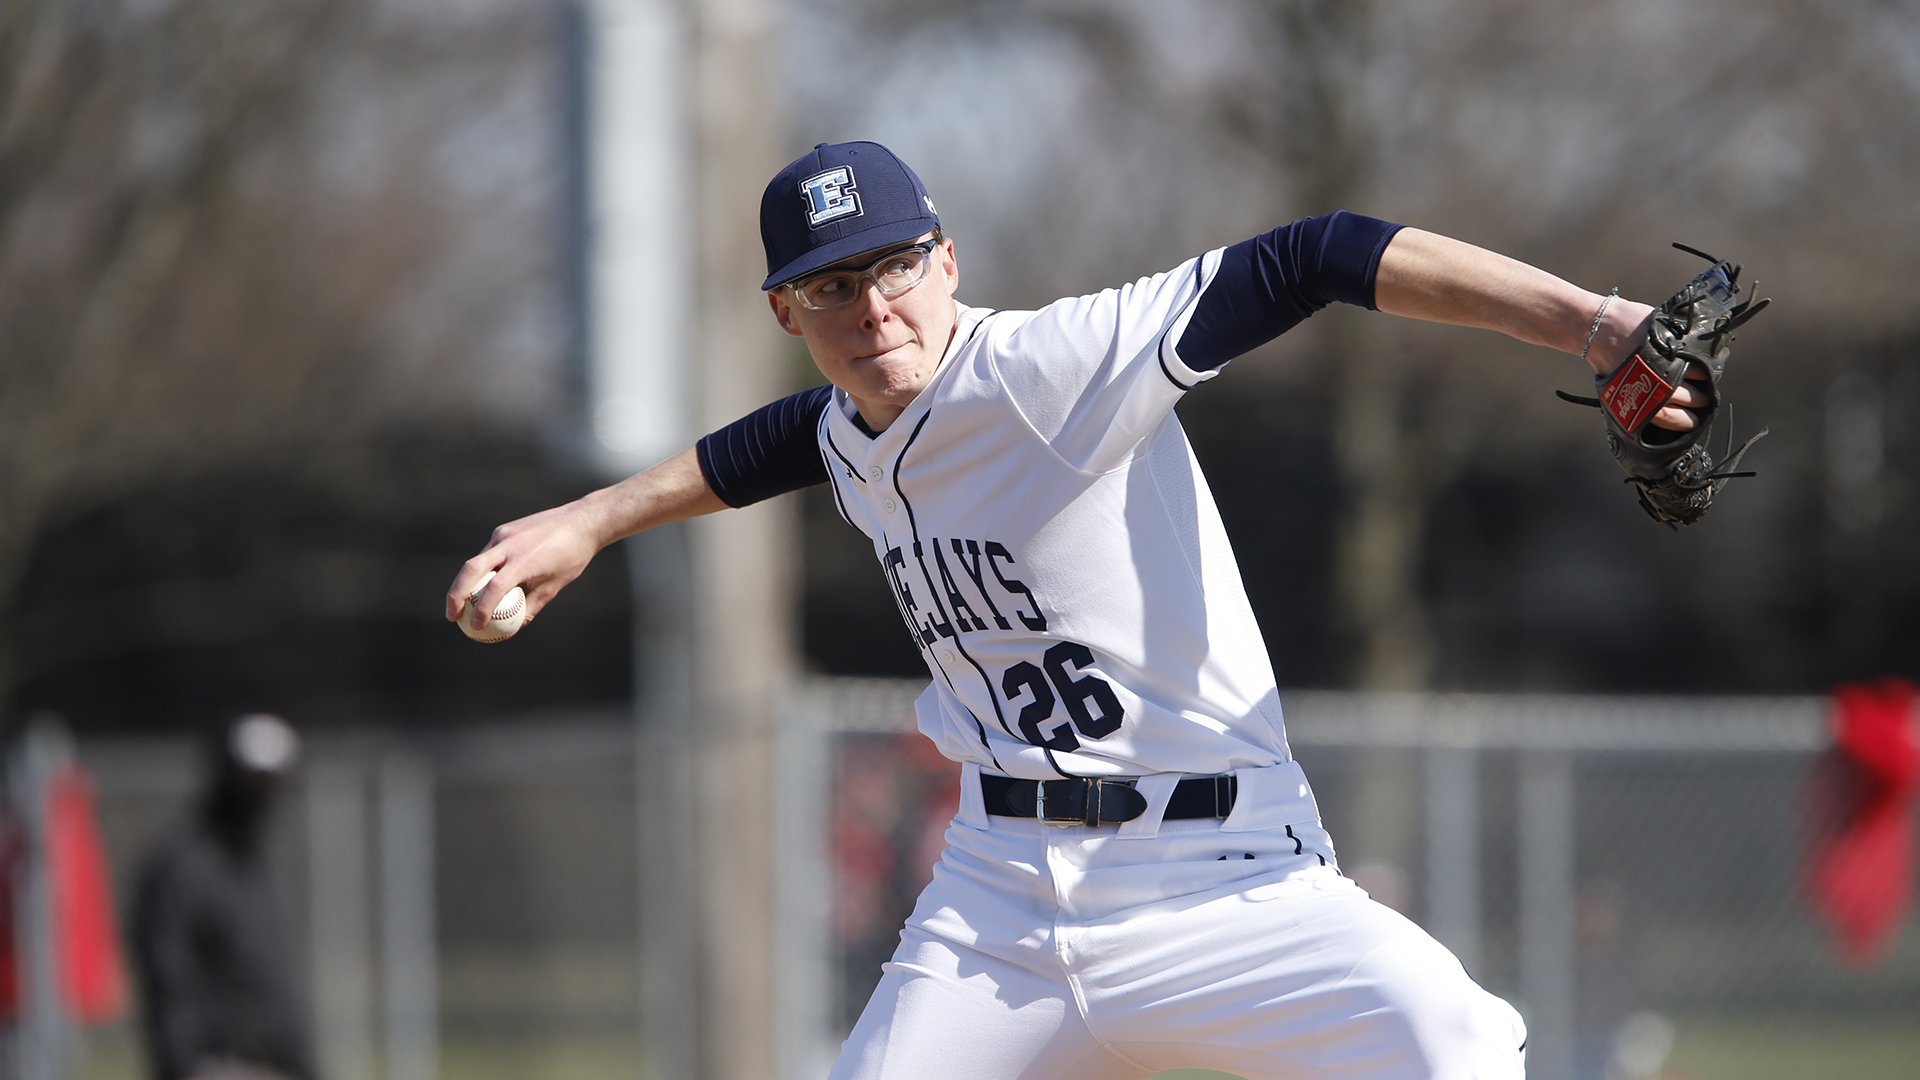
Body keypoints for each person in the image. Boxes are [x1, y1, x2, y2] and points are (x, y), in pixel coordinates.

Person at [448, 141, 1705, 1079]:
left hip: (1222, 876)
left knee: (1460, 1052)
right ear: (787, 312)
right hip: (999, 898)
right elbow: (776, 444)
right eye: (831, 289)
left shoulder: (1052, 368)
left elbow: (1313, 255)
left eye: (894, 267)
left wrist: (1598, 328)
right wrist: (591, 520)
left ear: (946, 261)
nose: (873, 309)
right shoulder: (852, 419)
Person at [131, 714, 313, 1080]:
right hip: (217, 1065)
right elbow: (168, 981)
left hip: (278, 1063)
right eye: (253, 780)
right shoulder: (183, 869)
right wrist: (181, 1065)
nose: (263, 794)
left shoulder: (252, 867)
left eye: (273, 782)